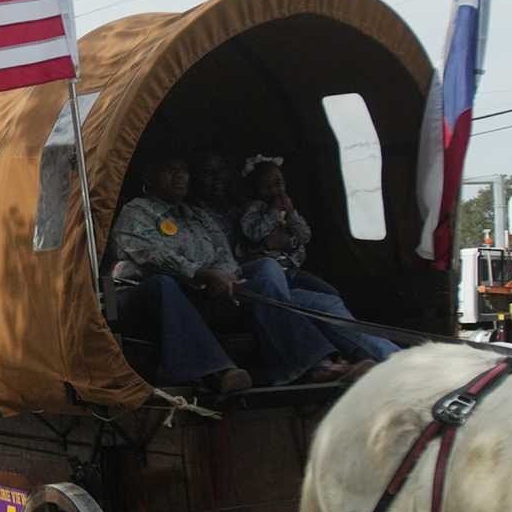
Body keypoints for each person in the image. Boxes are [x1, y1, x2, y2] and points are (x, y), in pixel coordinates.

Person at [109, 154, 362, 391]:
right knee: (162, 283)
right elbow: (150, 254)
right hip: (150, 296)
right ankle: (214, 372)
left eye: (183, 170)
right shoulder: (136, 212)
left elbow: (222, 252)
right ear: (149, 177)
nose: (180, 176)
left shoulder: (194, 215)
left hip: (202, 295)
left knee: (264, 270)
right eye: (170, 170)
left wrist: (227, 277)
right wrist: (199, 273)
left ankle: (315, 365)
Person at [232, 155, 396, 362]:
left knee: (331, 295)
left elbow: (304, 236)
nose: (275, 191)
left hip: (292, 272)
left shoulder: (288, 210)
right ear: (255, 188)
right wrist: (274, 213)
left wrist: (290, 214)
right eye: (267, 186)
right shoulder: (254, 210)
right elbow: (254, 233)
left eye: (279, 183)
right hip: (273, 281)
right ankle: (371, 357)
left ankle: (354, 353)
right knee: (323, 309)